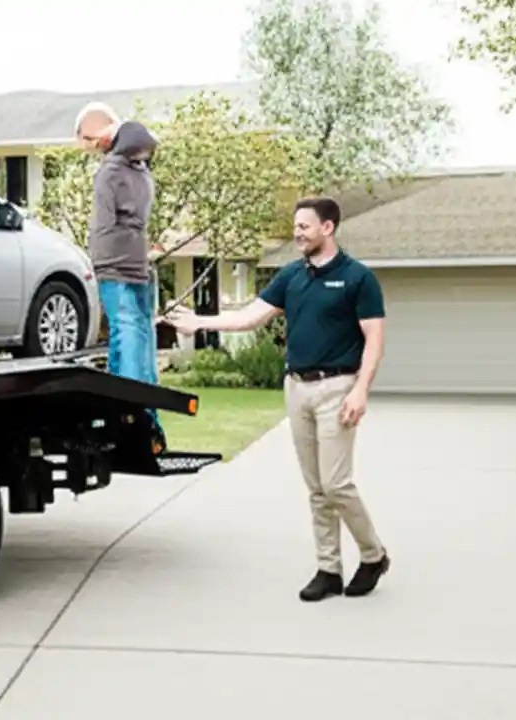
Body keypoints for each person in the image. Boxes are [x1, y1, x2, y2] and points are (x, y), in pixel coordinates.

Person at [165, 196, 391, 602]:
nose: (297, 232)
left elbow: (375, 339)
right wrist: (198, 322)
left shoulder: (358, 278)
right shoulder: (292, 276)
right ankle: (329, 569)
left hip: (337, 388)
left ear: (328, 227)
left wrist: (361, 390)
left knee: (337, 483)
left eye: (304, 225)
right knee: (316, 488)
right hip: (297, 388)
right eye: (296, 226)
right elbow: (250, 316)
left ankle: (373, 555)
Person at [74, 101, 166, 443]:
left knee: (126, 332)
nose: (89, 148)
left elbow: (102, 224)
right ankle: (143, 412)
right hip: (139, 261)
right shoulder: (141, 167)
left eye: (87, 140)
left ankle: (132, 414)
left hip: (115, 263)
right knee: (139, 337)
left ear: (100, 132)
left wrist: (94, 261)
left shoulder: (112, 169)